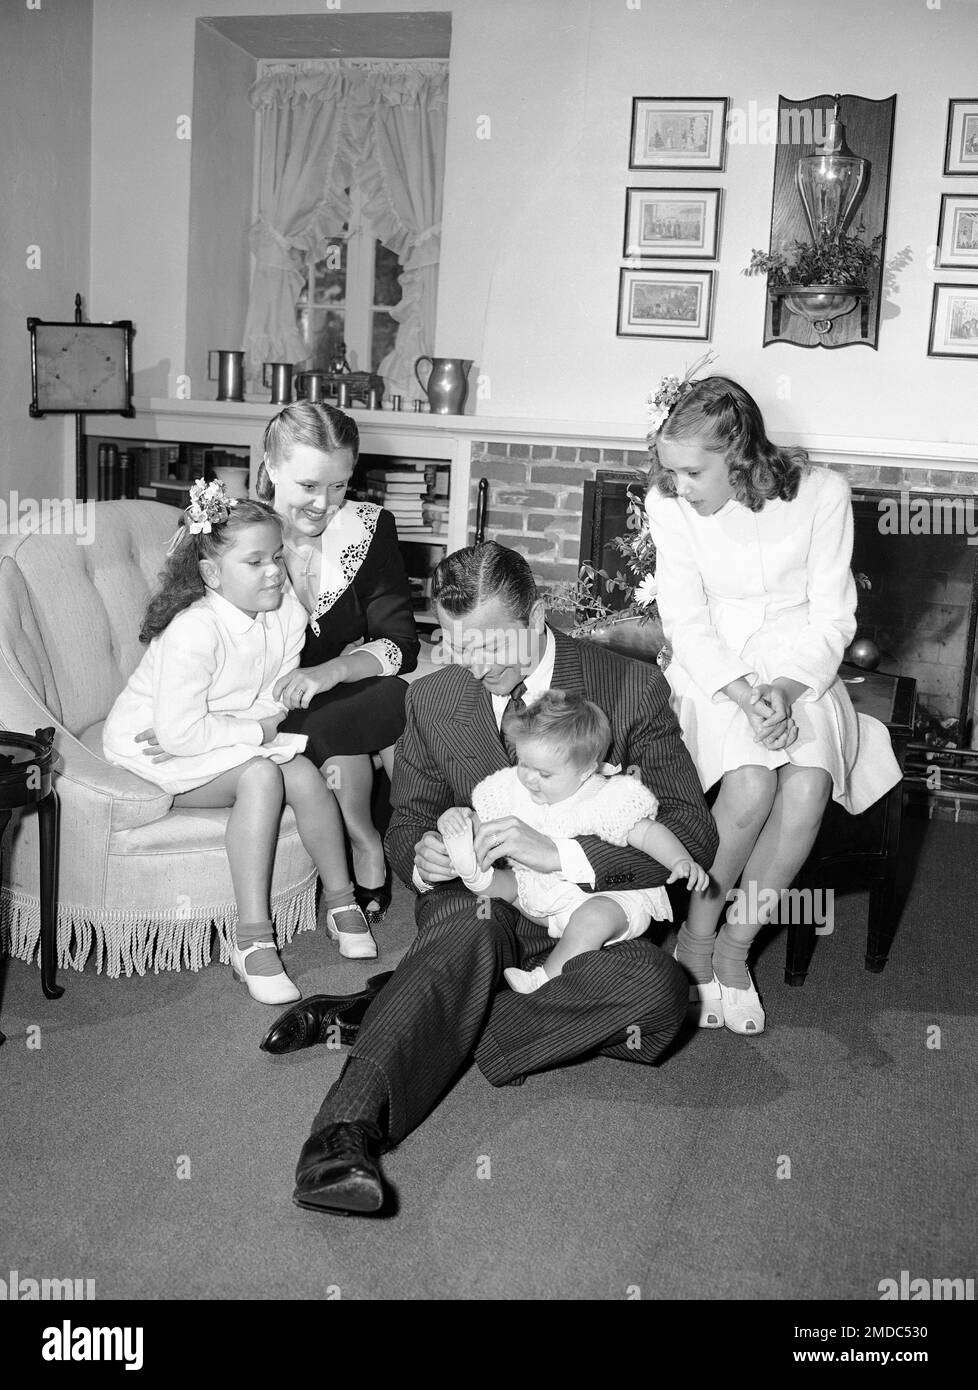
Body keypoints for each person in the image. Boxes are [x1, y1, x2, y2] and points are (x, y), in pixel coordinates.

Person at [262, 541, 718, 1217]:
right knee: (470, 929)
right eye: (451, 642)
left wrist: (564, 856)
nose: (471, 664)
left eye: (487, 644)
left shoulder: (631, 687)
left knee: (659, 992)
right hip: (479, 906)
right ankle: (338, 1140)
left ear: (536, 617)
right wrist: (420, 853)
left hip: (587, 918)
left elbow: (691, 831)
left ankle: (392, 1011)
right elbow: (407, 817)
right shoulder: (436, 697)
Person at [644, 373, 902, 1036]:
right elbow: (685, 621)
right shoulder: (667, 505)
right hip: (712, 669)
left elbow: (834, 617)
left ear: (738, 456)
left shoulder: (823, 495)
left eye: (693, 472)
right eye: (669, 471)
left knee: (810, 784)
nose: (678, 486)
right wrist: (742, 692)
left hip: (802, 667)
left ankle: (735, 947)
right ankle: (696, 943)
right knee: (753, 783)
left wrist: (784, 690)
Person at [103, 484, 373, 1003]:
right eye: (255, 562)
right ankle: (251, 941)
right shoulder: (194, 631)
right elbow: (180, 735)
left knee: (304, 775)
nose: (274, 570)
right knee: (263, 774)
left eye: (276, 556)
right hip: (152, 750)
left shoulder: (288, 613)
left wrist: (246, 725)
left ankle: (342, 902)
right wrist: (255, 730)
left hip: (216, 736)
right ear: (212, 574)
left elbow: (279, 703)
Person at [256, 402, 421, 953]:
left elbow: (399, 643)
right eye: (308, 484)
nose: (324, 505)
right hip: (261, 703)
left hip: (342, 693)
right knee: (322, 731)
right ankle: (369, 842)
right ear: (271, 466)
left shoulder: (370, 529)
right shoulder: (233, 535)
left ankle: (378, 840)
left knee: (397, 694)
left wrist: (330, 670)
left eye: (340, 487)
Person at [436, 689, 710, 993]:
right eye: (524, 764)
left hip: (606, 898)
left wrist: (678, 859)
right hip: (544, 892)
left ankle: (545, 978)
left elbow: (647, 832)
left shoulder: (606, 796)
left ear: (585, 770)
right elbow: (488, 822)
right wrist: (461, 819)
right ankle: (477, 876)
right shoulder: (514, 786)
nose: (528, 778)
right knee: (507, 886)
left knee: (591, 919)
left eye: (543, 773)